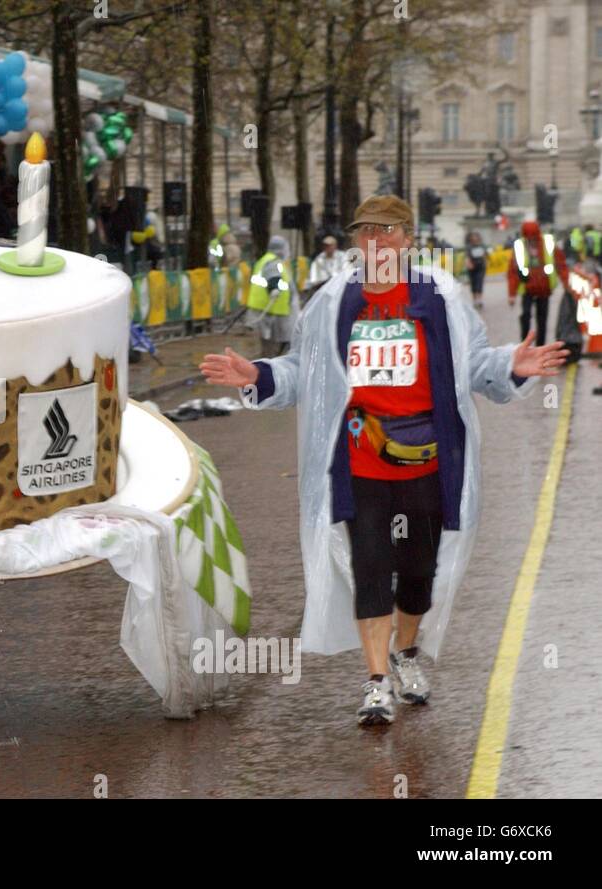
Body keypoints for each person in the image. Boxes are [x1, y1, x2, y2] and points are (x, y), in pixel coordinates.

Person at [199, 195, 569, 727]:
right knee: (371, 566)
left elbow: (475, 365)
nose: (375, 241)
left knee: (418, 574)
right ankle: (375, 683)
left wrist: (514, 365)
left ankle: (406, 653)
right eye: (365, 231)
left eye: (387, 231)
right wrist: (258, 375)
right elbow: (307, 369)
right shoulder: (333, 302)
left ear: (408, 239)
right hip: (359, 460)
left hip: (427, 461)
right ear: (356, 241)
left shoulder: (441, 296)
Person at [507, 220, 564, 347]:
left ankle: (540, 345)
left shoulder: (548, 243)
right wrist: (512, 294)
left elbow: (560, 263)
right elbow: (512, 271)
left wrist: (566, 283)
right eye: (529, 237)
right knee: (525, 315)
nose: (531, 239)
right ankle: (525, 344)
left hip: (544, 288)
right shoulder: (520, 246)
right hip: (527, 288)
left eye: (533, 236)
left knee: (542, 319)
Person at [245, 235, 298, 358]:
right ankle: (269, 370)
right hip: (273, 311)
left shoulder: (266, 260)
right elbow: (273, 276)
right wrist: (274, 288)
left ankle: (269, 366)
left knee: (273, 345)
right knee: (274, 345)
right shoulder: (273, 262)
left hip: (272, 310)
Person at [464, 230, 487, 310]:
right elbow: (467, 256)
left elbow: (485, 255)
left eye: (476, 237)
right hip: (472, 268)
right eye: (473, 237)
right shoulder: (469, 247)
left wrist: (485, 261)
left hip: (481, 267)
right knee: (473, 284)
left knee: (479, 282)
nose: (474, 239)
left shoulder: (482, 246)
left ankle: (479, 300)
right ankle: (474, 300)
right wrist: (468, 263)